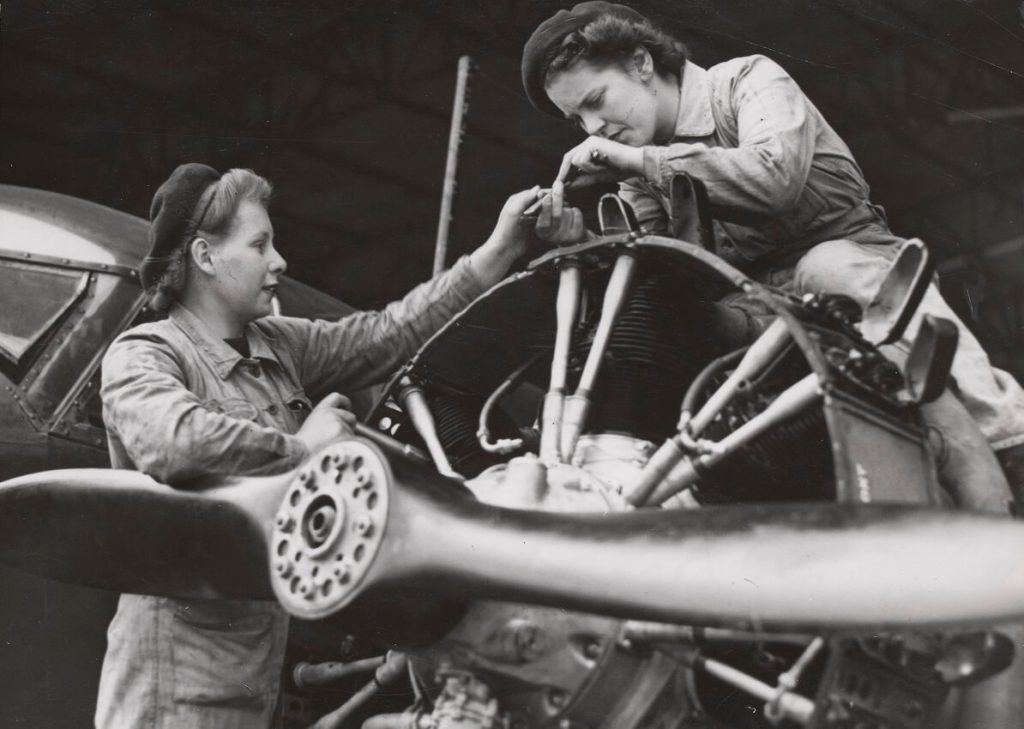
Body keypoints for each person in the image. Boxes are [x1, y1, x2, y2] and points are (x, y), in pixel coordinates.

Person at [94, 164, 558, 729]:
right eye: (260, 244)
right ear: (205, 256)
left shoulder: (278, 346)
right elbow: (176, 443)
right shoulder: (145, 353)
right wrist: (303, 450)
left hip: (254, 670)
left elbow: (387, 334)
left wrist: (497, 251)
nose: (279, 261)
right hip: (176, 683)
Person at [519, 1, 1024, 500]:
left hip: (852, 266)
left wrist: (641, 161)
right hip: (761, 305)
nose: (592, 129)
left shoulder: (746, 81)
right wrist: (580, 240)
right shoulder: (636, 176)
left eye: (596, 100)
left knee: (827, 265)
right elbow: (670, 277)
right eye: (576, 118)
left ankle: (1006, 438)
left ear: (641, 63)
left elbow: (773, 179)